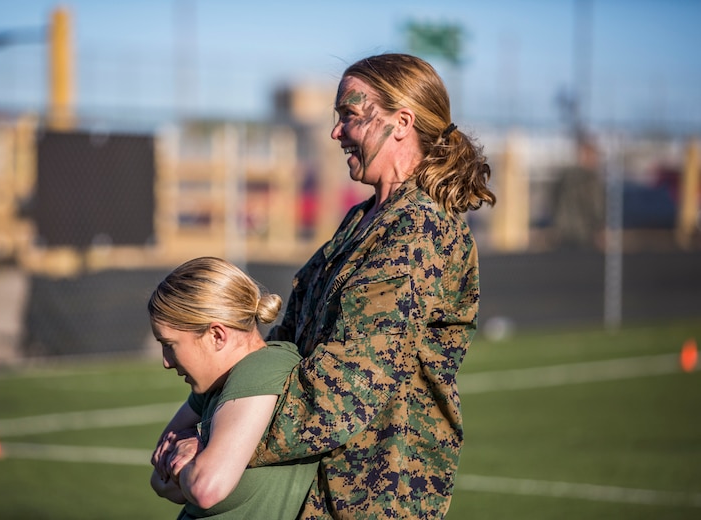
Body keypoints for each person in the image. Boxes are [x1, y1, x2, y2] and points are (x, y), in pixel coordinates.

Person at [164, 52, 495, 518]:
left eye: (350, 117)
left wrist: (220, 445)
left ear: (402, 122)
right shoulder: (363, 220)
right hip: (320, 489)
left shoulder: (418, 229)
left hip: (373, 497)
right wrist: (200, 412)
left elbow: (347, 386)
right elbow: (282, 348)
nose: (336, 132)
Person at [147, 256, 318, 519]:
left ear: (216, 335)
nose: (166, 362)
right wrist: (193, 455)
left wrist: (192, 453)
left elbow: (206, 488)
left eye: (169, 344)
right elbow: (159, 477)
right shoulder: (217, 383)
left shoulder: (262, 366)